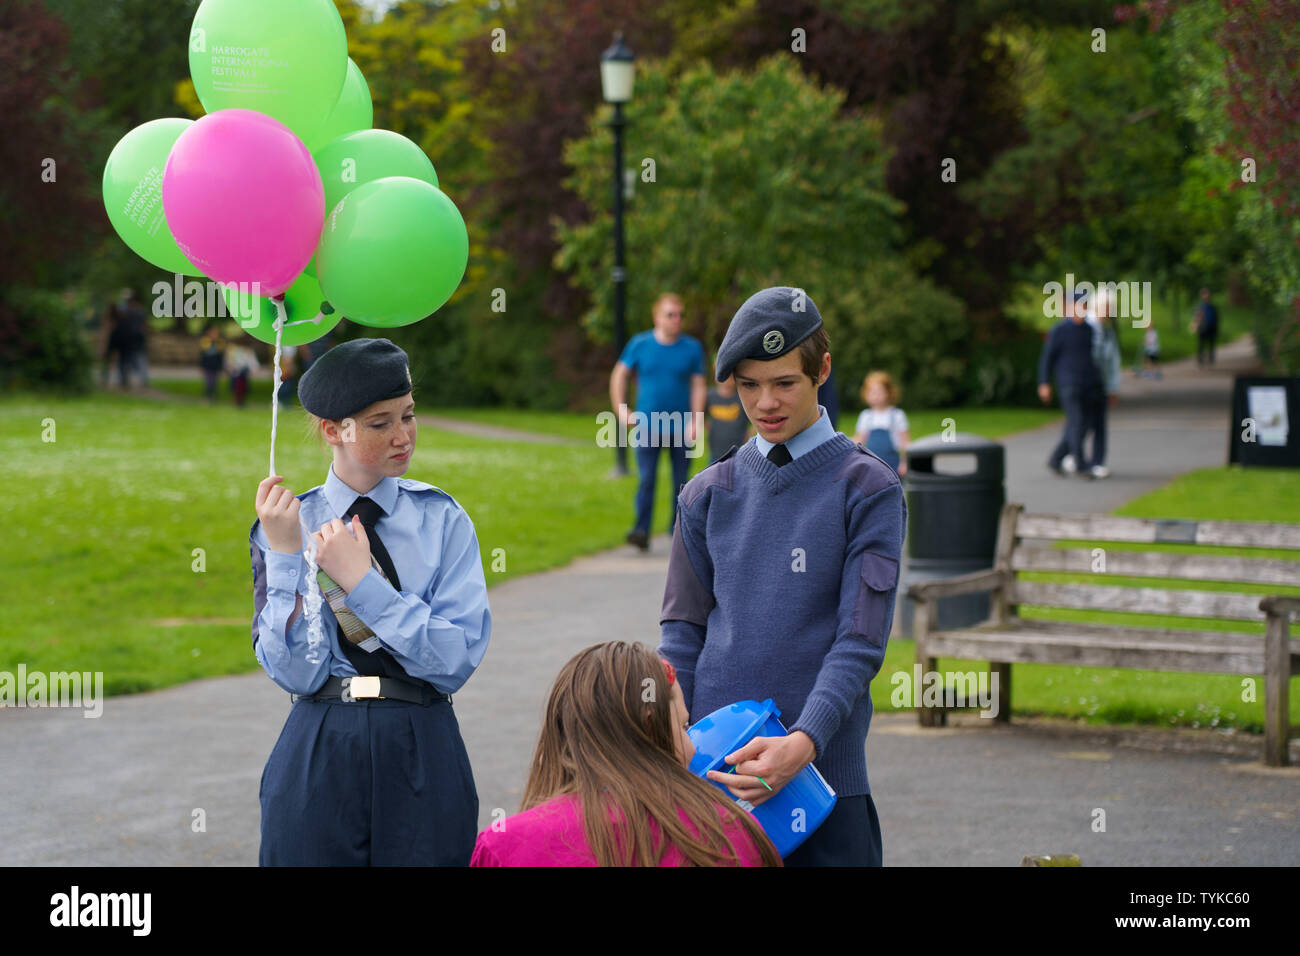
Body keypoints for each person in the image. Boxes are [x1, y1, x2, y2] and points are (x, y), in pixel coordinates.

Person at [658, 286, 907, 867]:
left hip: (826, 787)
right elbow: (680, 638)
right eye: (749, 386)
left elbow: (860, 641)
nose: (765, 402)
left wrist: (804, 743)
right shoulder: (706, 493)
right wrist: (676, 753)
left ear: (822, 369)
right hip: (715, 792)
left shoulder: (869, 488)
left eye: (783, 383)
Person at [250, 337, 491, 866]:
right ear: (335, 430)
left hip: (422, 740)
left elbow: (453, 661)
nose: (403, 436)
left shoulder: (442, 519)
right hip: (320, 741)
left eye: (408, 415)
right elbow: (296, 673)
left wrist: (363, 585)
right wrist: (289, 555)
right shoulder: (287, 523)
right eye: (381, 424)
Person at [470, 642, 780, 867]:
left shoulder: (504, 847)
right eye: (684, 725)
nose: (693, 745)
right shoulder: (729, 835)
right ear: (650, 723)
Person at [609, 293, 706, 551]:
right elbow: (619, 374)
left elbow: (698, 385)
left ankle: (678, 532)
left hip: (680, 425)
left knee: (681, 482)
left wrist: (696, 419)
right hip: (648, 426)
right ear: (657, 317)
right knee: (647, 479)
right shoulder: (640, 344)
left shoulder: (692, 348)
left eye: (680, 315)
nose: (676, 320)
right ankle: (641, 530)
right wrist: (621, 410)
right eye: (670, 314)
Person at [1038, 289, 1103, 478]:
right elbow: (1047, 358)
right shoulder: (1059, 330)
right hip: (1068, 383)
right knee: (1076, 422)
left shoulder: (1088, 330)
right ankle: (1081, 465)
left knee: (1083, 425)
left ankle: (1056, 458)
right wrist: (1044, 382)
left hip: (1087, 384)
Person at [1082, 290, 1122, 479]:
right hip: (1086, 384)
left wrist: (1113, 387)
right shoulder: (1085, 327)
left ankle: (1097, 461)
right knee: (1082, 423)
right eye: (1105, 307)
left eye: (1110, 308)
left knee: (1098, 424)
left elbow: (1113, 361)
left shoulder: (1107, 331)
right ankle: (1067, 456)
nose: (1108, 311)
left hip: (1101, 385)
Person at [852, 370, 910, 476]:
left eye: (879, 392)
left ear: (888, 393)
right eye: (872, 392)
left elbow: (904, 442)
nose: (875, 396)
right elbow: (860, 440)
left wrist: (905, 462)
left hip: (892, 463)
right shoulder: (866, 416)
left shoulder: (897, 415)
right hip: (872, 463)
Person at [704, 373, 750, 464]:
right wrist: (708, 427)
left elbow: (753, 421)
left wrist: (749, 434)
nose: (726, 381)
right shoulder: (710, 396)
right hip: (716, 450)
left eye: (730, 378)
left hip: (738, 450)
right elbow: (700, 415)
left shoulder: (742, 397)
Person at [224, 337, 259, 408]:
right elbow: (229, 360)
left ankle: (241, 400)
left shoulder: (248, 350)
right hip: (235, 370)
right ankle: (237, 400)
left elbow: (252, 360)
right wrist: (230, 367)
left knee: (243, 387)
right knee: (235, 386)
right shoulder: (232, 350)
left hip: (243, 371)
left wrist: (254, 369)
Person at [198, 324, 226, 403]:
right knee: (208, 382)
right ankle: (208, 396)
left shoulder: (220, 343)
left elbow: (221, 356)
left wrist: (222, 367)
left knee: (215, 382)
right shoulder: (205, 342)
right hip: (207, 366)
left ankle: (213, 397)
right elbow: (203, 356)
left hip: (216, 366)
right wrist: (202, 366)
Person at [1194, 287, 1219, 367]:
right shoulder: (1200, 306)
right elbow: (1196, 317)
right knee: (1201, 344)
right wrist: (1196, 325)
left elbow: (1215, 318)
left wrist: (1216, 328)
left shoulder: (1212, 307)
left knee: (1211, 344)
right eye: (1204, 294)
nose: (1205, 296)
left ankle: (1211, 358)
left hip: (1211, 328)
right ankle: (1200, 358)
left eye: (1207, 294)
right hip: (1202, 328)